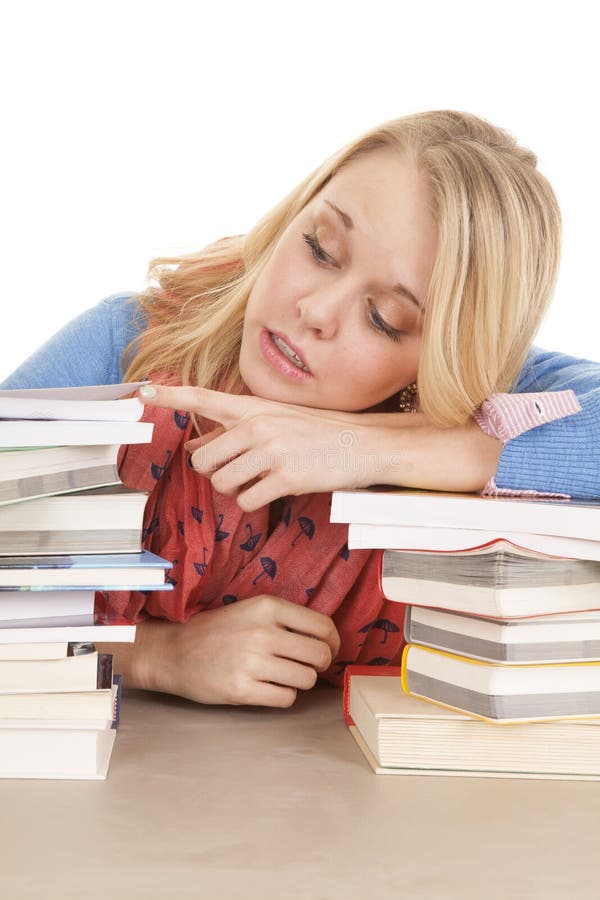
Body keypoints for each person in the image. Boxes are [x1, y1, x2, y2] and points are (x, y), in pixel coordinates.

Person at [3, 110, 600, 708]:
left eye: (384, 318)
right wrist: (156, 655)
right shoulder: (129, 344)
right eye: (320, 248)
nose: (316, 311)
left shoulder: (480, 397)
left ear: (445, 355)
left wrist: (361, 448)